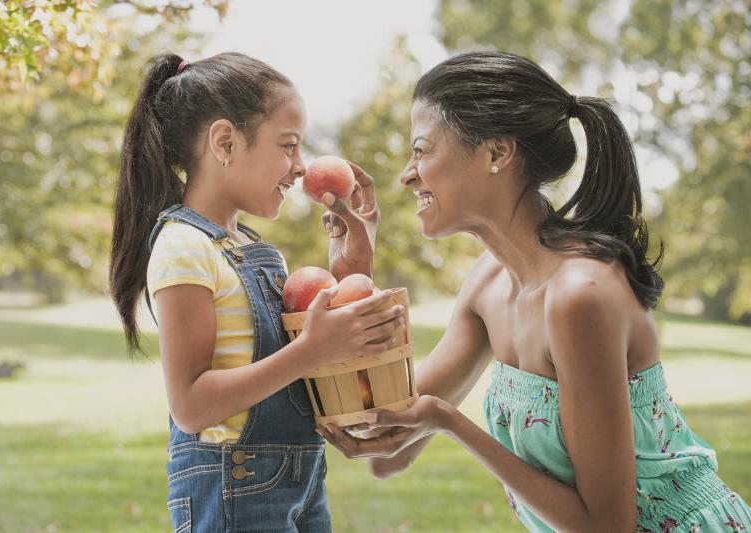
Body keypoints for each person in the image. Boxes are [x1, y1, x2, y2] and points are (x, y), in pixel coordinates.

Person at [317, 51, 751, 532]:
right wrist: (355, 273)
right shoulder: (489, 282)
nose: (407, 173)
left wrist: (451, 421)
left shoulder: (578, 296)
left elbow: (608, 527)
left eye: (422, 150)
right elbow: (387, 451)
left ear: (497, 153)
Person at [109, 52, 405, 532]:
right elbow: (190, 405)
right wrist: (310, 351)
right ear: (225, 141)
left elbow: (296, 369)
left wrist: (352, 267)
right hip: (234, 485)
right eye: (288, 147)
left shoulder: (254, 248)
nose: (300, 168)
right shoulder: (184, 247)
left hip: (299, 479)